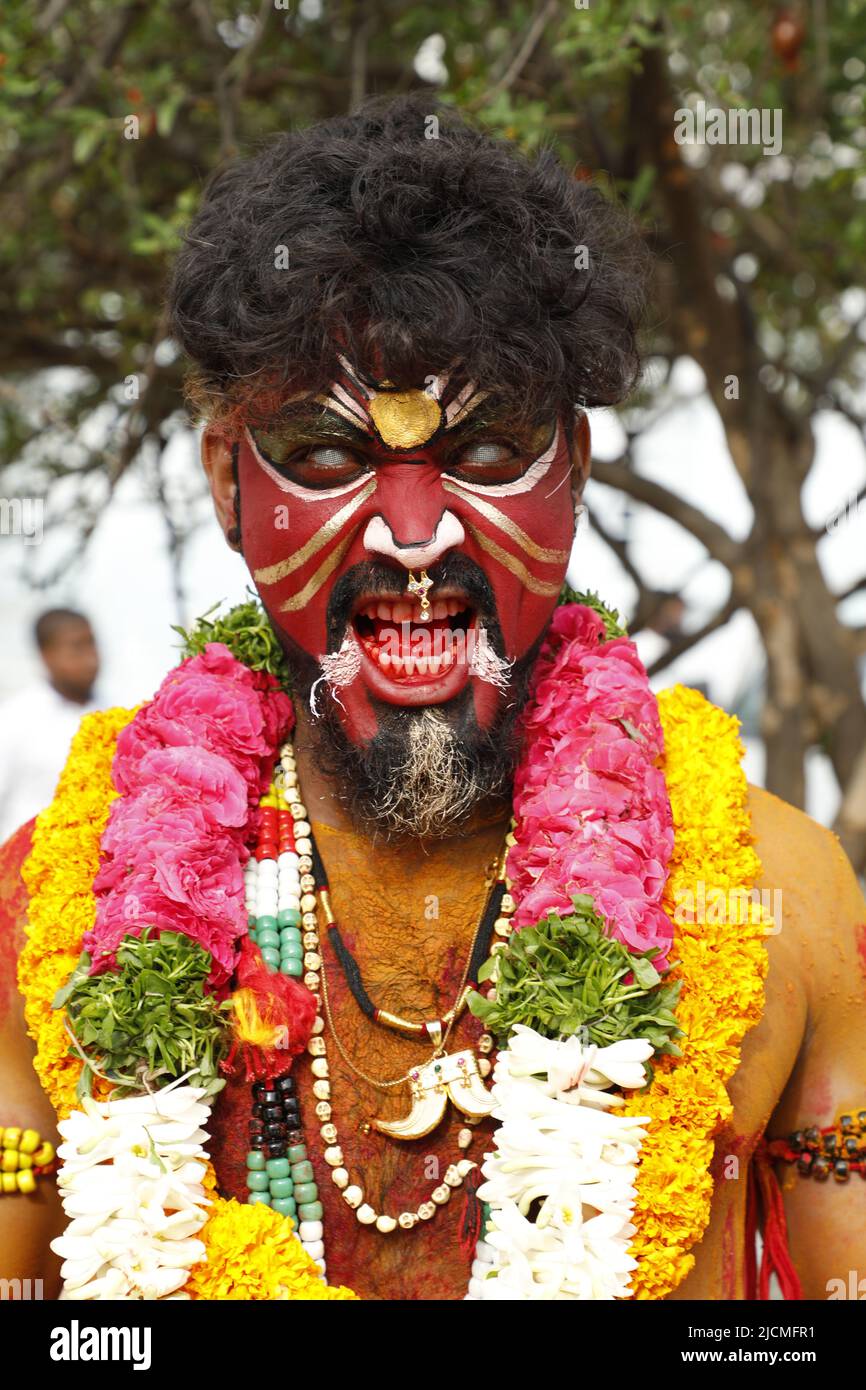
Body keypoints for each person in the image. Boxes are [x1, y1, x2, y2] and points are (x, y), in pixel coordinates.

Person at [1, 96, 864, 1302]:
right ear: (224, 485)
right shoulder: (55, 918)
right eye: (322, 455)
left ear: (576, 467)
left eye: (491, 451)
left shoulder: (779, 896)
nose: (414, 540)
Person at [0, 609, 100, 843]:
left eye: (92, 643)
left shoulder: (114, 712)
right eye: (77, 647)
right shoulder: (15, 719)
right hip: (26, 868)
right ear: (46, 655)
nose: (91, 657)